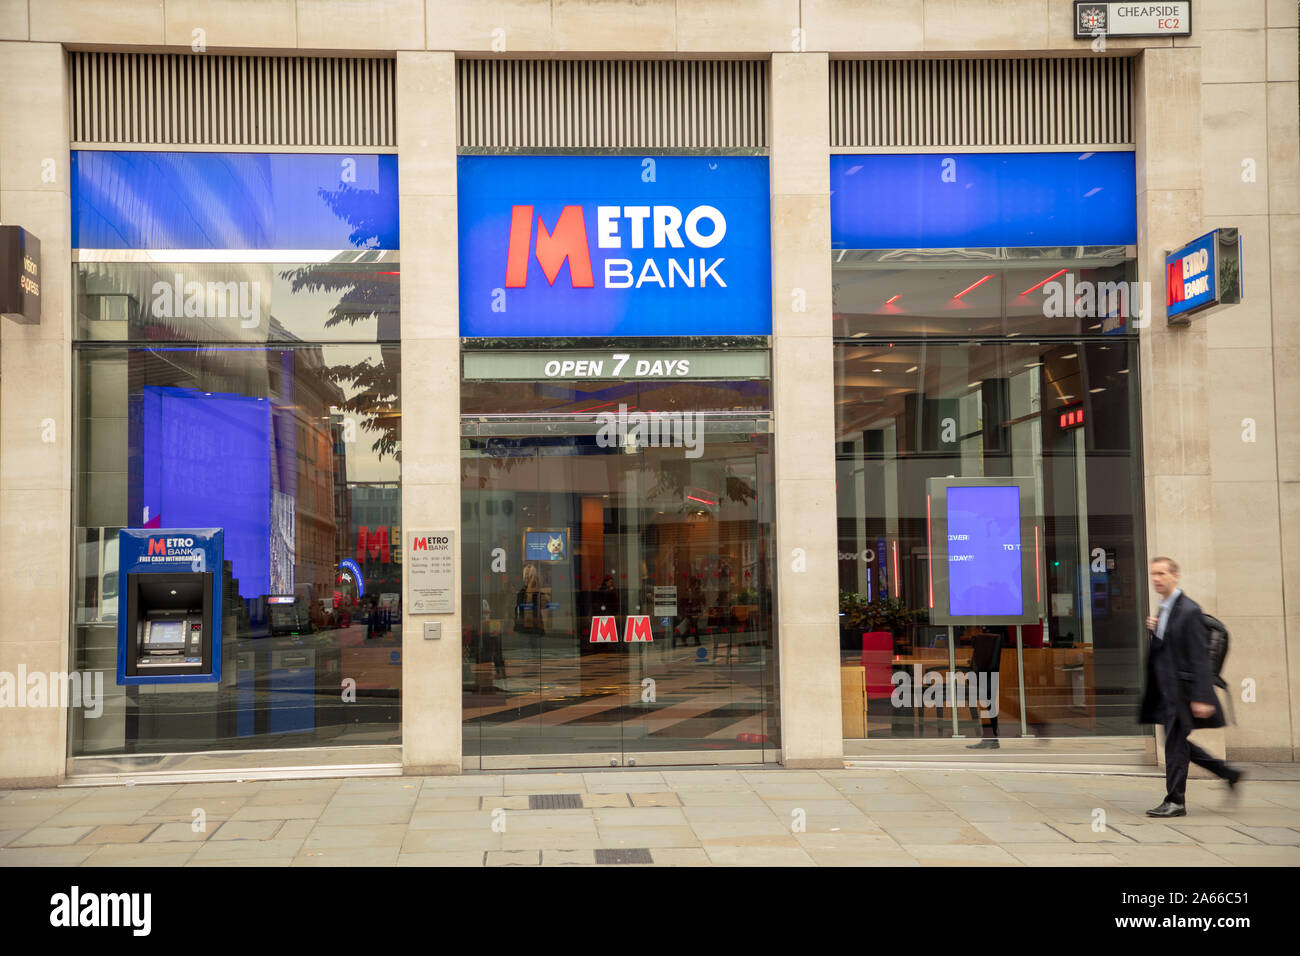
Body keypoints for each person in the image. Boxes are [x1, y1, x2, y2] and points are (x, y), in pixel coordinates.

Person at [1139, 556, 1243, 817]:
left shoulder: (1189, 610)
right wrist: (1157, 630)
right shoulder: (1166, 608)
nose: (1156, 579)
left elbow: (1198, 656)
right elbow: (1171, 649)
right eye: (1153, 574)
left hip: (1183, 692)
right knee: (1177, 743)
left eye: (1161, 573)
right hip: (1167, 691)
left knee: (1174, 745)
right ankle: (1228, 773)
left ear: (1175, 576)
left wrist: (1202, 696)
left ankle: (1175, 801)